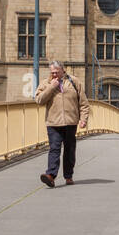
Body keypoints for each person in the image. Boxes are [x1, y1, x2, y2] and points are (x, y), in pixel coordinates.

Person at [35, 60, 89, 188]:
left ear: (62, 70)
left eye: (56, 72)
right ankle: (50, 176)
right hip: (53, 122)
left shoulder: (73, 81)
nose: (54, 75)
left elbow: (83, 103)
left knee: (70, 150)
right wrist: (51, 87)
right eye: (52, 72)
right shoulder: (46, 83)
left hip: (71, 121)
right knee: (54, 148)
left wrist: (84, 119)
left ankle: (68, 176)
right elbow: (39, 100)